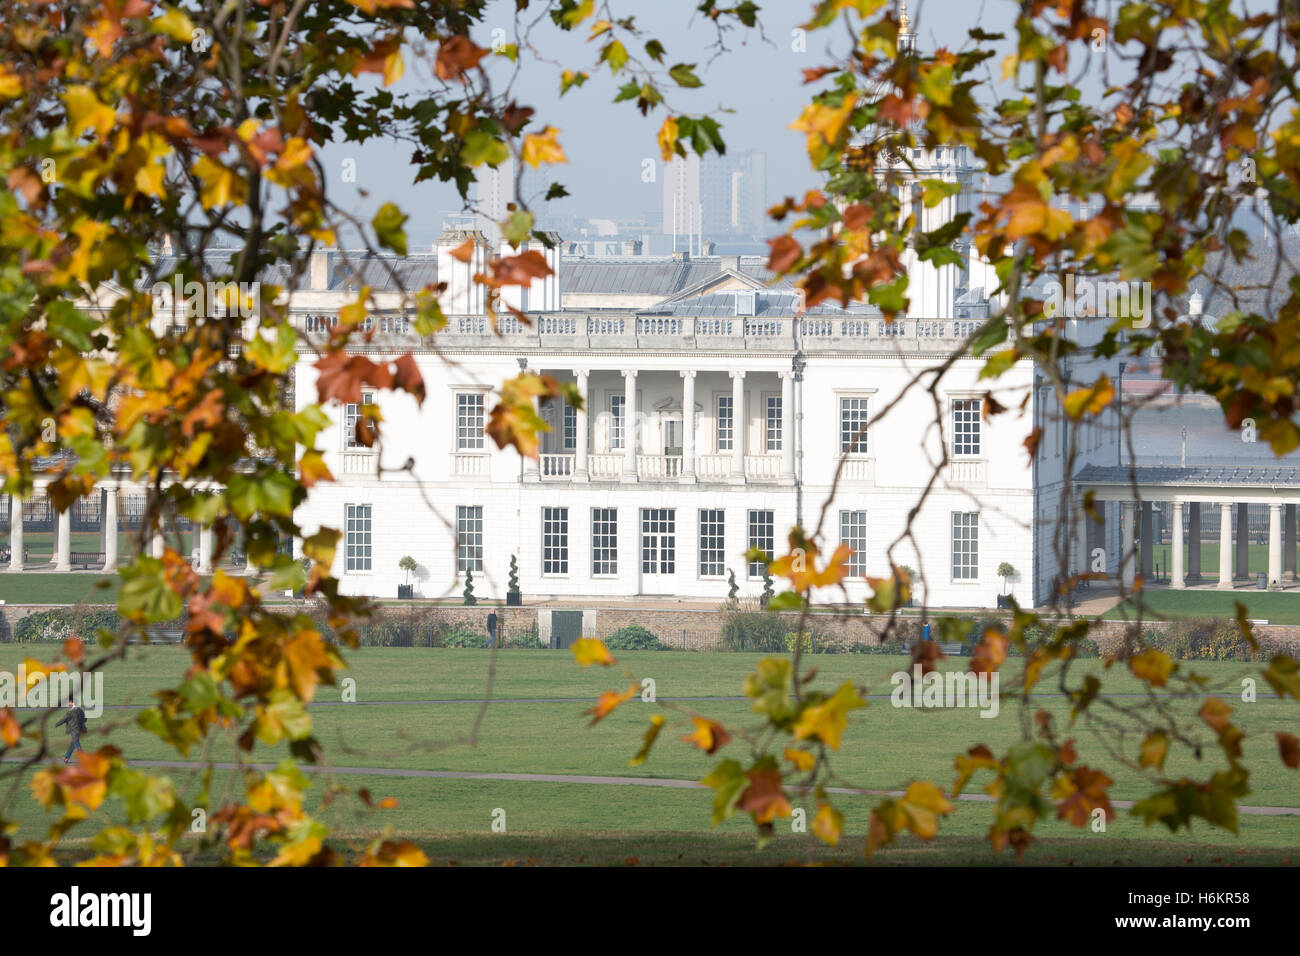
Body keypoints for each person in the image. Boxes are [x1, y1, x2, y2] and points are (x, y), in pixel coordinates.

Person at [54, 694, 87, 763]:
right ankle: (66, 757)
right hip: (80, 730)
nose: (69, 703)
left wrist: (57, 724)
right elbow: (85, 719)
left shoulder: (71, 712)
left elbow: (64, 719)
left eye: (70, 702)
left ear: (73, 702)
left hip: (73, 730)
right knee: (73, 744)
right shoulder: (81, 710)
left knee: (76, 744)